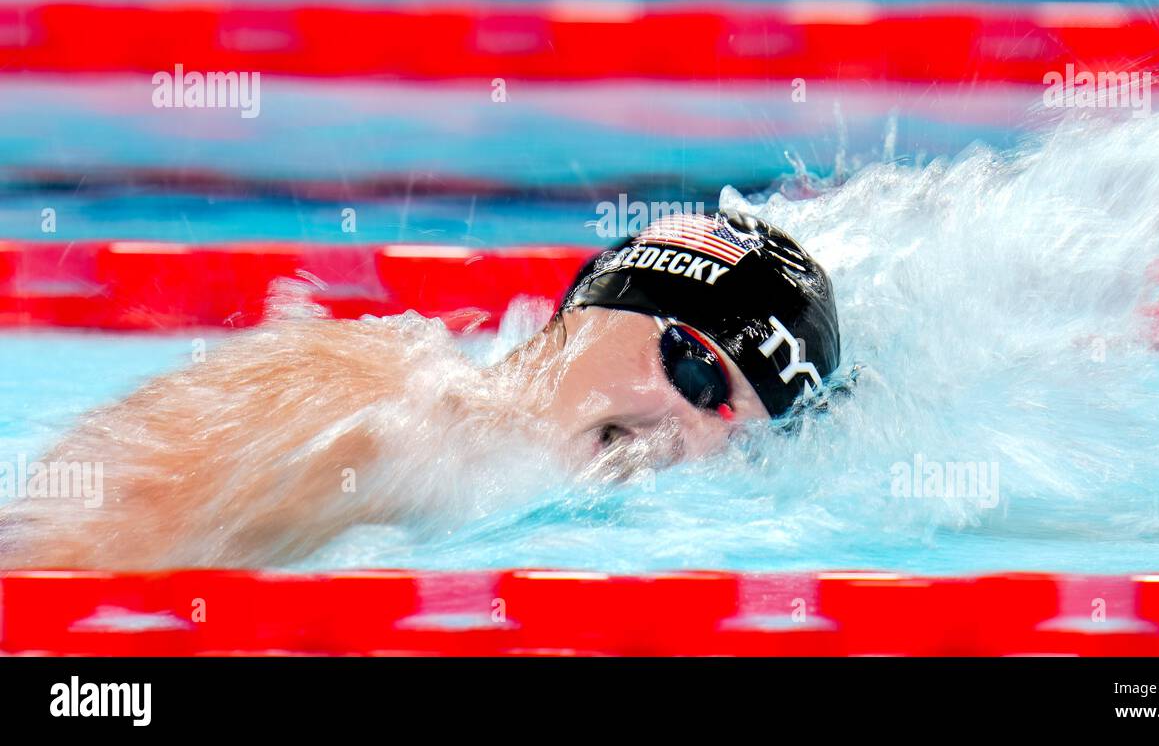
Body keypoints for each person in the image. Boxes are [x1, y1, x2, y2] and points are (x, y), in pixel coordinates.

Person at [0, 211, 839, 568]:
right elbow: (53, 570)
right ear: (593, 311)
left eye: (736, 435)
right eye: (694, 370)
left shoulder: (501, 486)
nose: (686, 436)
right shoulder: (394, 418)